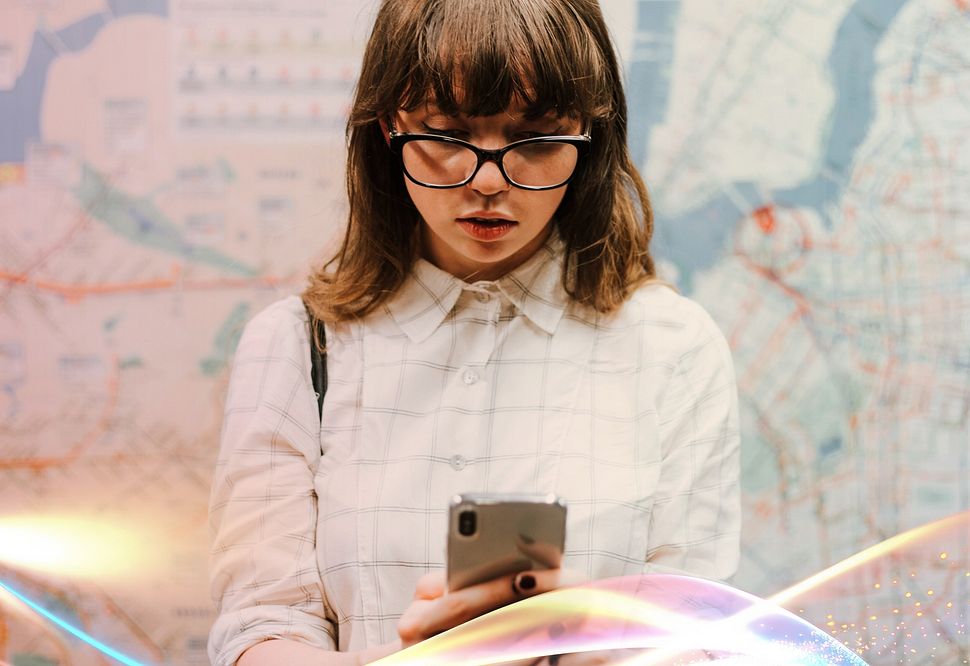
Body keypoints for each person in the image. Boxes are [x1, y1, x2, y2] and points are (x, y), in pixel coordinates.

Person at [207, 0, 741, 664]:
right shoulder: (297, 345)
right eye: (447, 134)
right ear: (388, 128)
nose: (488, 182)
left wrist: (588, 645)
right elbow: (261, 626)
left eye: (537, 139)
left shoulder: (673, 346)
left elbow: (700, 639)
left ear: (590, 136)